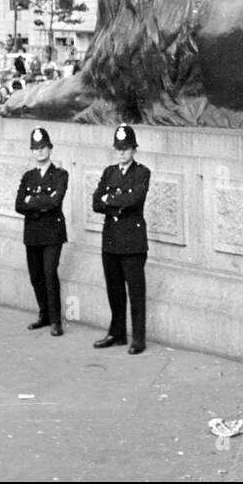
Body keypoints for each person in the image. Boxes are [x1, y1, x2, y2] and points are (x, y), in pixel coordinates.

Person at [91, 125, 150, 355]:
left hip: (133, 242)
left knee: (135, 292)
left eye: (126, 149)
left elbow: (135, 199)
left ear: (133, 150)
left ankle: (138, 338)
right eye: (118, 149)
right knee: (114, 290)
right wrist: (117, 201)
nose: (122, 153)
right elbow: (96, 202)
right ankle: (117, 333)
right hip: (112, 241)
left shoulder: (142, 173)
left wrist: (110, 199)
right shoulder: (109, 172)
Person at [16, 127, 68, 336]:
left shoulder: (60, 174)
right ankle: (44, 314)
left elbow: (55, 201)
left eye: (43, 147)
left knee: (49, 273)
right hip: (33, 233)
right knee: (36, 275)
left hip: (53, 233)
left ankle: (56, 320)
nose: (39, 152)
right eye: (35, 148)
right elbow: (19, 205)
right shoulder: (28, 176)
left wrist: (33, 202)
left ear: (50, 149)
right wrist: (41, 203)